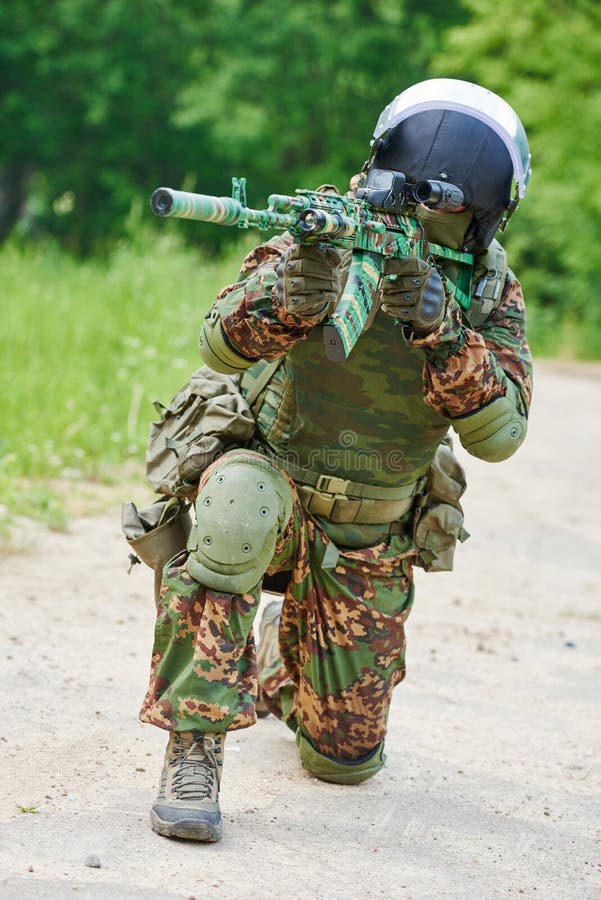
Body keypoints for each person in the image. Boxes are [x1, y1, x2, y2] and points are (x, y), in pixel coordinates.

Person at [139, 78, 533, 842]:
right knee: (235, 506)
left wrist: (442, 332)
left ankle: (279, 653)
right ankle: (193, 745)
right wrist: (290, 298)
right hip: (272, 489)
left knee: (343, 760)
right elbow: (219, 346)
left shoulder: (487, 288)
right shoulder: (323, 233)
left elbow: (500, 436)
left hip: (369, 535)